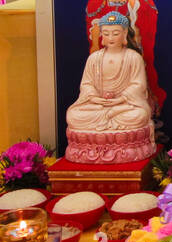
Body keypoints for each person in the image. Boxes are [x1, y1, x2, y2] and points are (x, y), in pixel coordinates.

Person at [65, 13, 156, 163]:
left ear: (125, 33)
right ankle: (108, 119)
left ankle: (110, 117)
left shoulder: (133, 57)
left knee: (138, 115)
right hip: (97, 105)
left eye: (116, 33)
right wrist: (94, 97)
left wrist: (120, 99)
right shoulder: (94, 58)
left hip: (125, 106)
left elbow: (138, 85)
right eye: (106, 33)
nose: (111, 37)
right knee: (73, 115)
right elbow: (86, 84)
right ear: (101, 35)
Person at [86, 0, 163, 112]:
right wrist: (95, 41)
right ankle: (105, 105)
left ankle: (138, 104)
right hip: (106, 41)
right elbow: (92, 16)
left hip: (131, 40)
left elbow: (150, 14)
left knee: (138, 66)